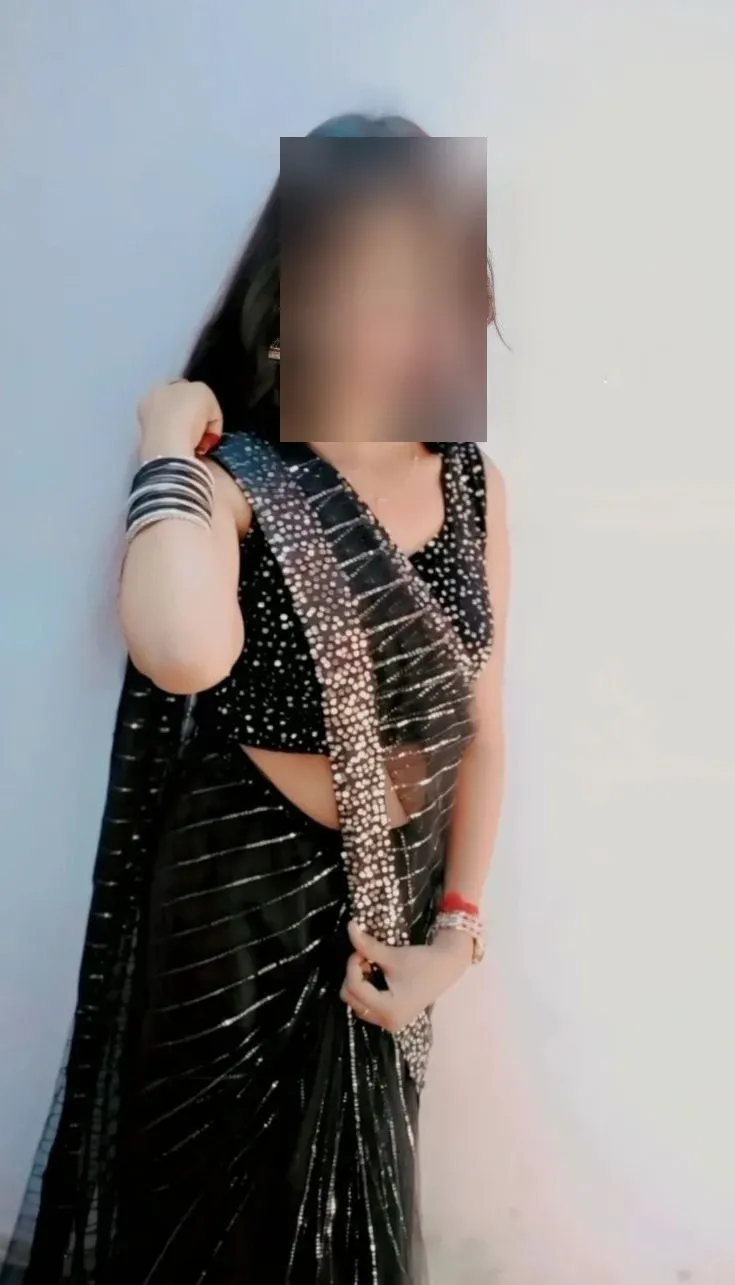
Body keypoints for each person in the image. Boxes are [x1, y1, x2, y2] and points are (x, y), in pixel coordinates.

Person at [3, 113, 509, 1284]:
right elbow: (181, 649)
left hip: (390, 923)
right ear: (292, 302)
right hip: (229, 918)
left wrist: (456, 936)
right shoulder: (244, 479)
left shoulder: (475, 488)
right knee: (203, 1233)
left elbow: (488, 730)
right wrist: (164, 443)